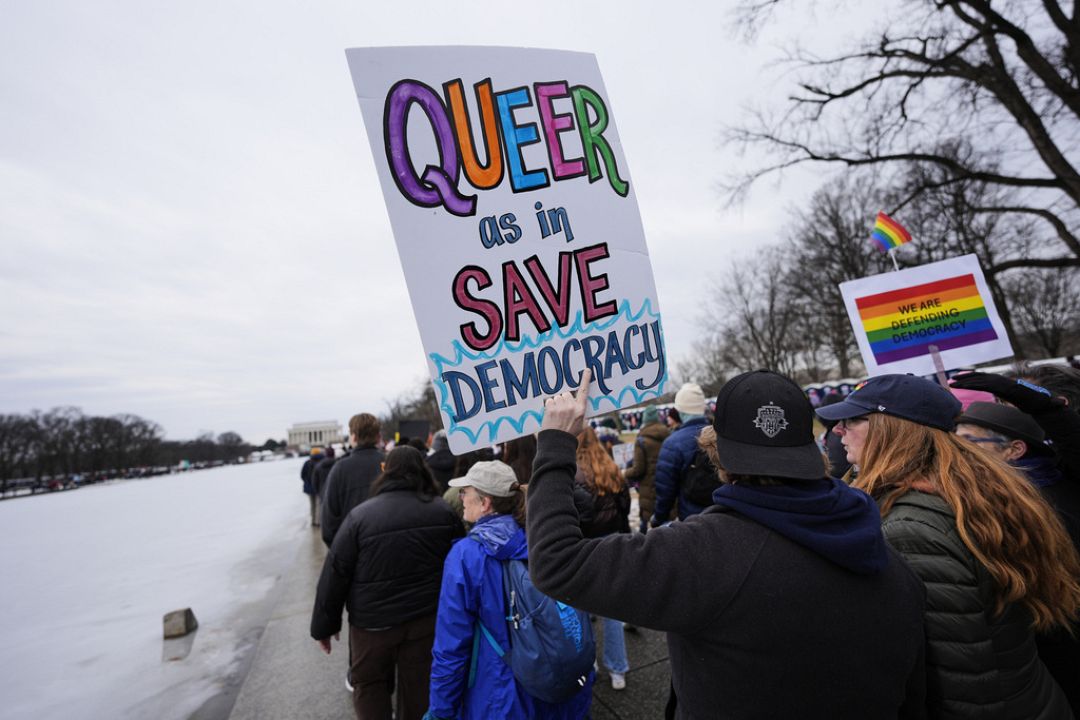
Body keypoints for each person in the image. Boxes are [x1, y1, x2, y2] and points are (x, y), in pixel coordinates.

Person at [529, 369, 927, 719]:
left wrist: (555, 446)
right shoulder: (894, 565)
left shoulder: (703, 555)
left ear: (719, 457)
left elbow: (556, 562)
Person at [819, 374, 1080, 718]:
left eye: (853, 419)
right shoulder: (970, 487)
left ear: (892, 430)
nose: (838, 430)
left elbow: (964, 677)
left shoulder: (911, 528)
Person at [426, 461, 593, 720]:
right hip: (558, 686)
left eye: (465, 492)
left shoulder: (466, 556)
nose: (461, 499)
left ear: (485, 503)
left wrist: (440, 710)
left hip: (499, 694)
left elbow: (451, 648)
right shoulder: (541, 536)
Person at [312, 446, 464, 720]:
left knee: (369, 685)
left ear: (385, 471)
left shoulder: (360, 516)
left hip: (372, 625)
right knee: (419, 685)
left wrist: (325, 625)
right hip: (425, 619)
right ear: (423, 469)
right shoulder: (442, 510)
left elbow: (335, 573)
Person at [575, 426, 631, 690]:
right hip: (613, 543)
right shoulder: (610, 466)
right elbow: (624, 504)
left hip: (583, 546)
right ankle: (617, 668)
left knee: (581, 609)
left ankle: (590, 663)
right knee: (613, 612)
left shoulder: (572, 472)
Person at [652, 382, 711, 524]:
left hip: (692, 521)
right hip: (725, 515)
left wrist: (659, 518)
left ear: (680, 410)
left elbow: (665, 491)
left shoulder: (673, 443)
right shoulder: (719, 435)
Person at [322, 414, 384, 547]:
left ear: (354, 437)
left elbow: (329, 523)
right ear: (378, 437)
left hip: (355, 549)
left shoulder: (340, 469)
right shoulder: (391, 462)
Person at [622, 404, 670, 533]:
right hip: (667, 487)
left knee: (646, 530)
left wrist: (624, 473)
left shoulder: (642, 439)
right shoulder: (668, 435)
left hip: (648, 490)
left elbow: (638, 470)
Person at [311, 446, 337, 527]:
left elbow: (314, 481)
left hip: (322, 491)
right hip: (336, 491)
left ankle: (323, 524)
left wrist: (318, 491)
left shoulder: (318, 466)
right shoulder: (339, 464)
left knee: (322, 509)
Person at [301, 447, 324, 527]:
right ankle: (318, 521)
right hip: (318, 486)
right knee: (318, 504)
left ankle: (313, 520)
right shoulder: (321, 462)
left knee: (312, 505)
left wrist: (307, 482)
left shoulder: (307, 463)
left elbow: (302, 475)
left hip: (309, 487)